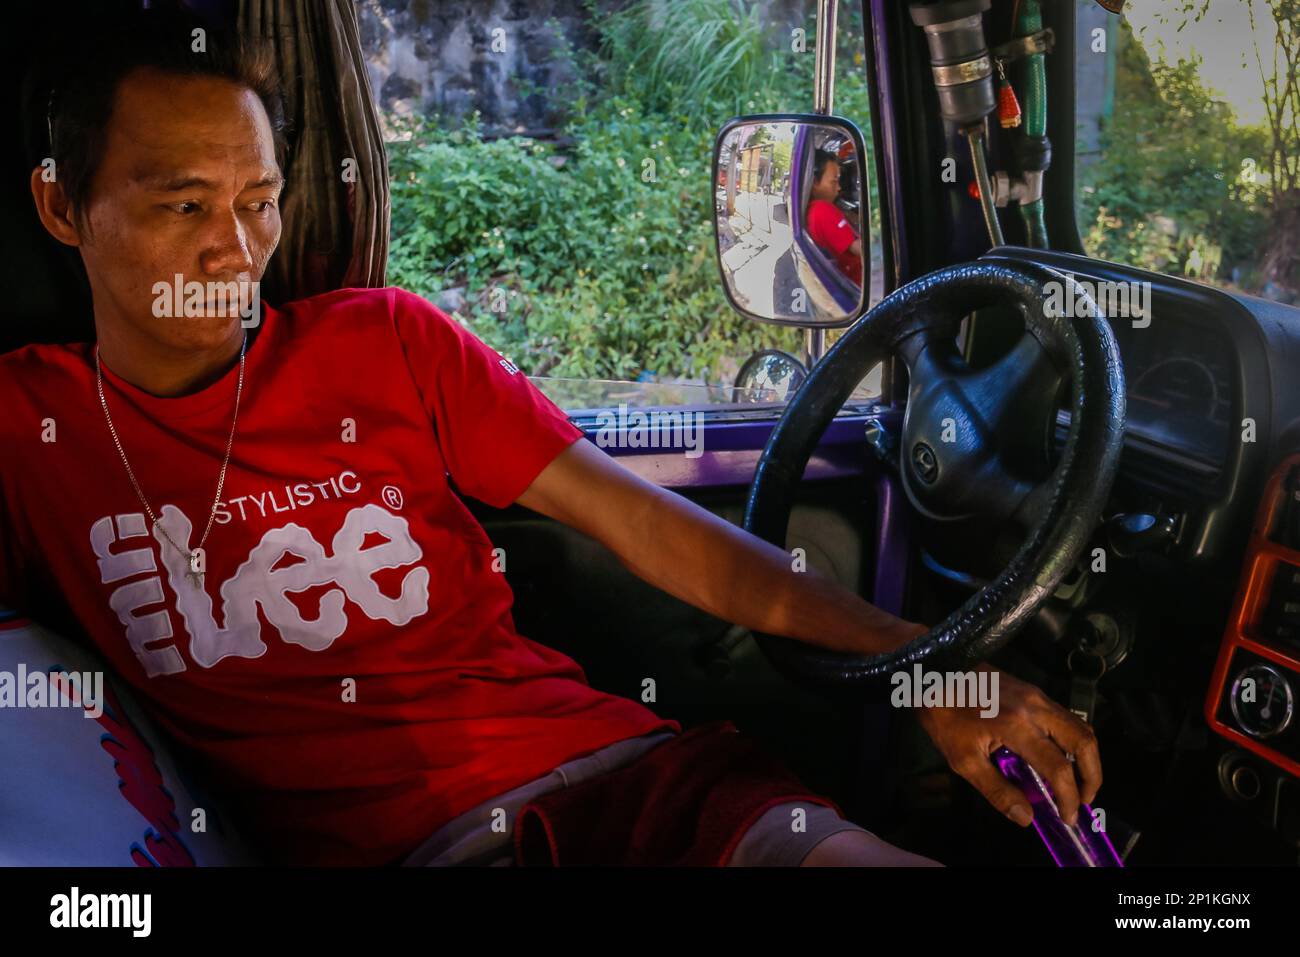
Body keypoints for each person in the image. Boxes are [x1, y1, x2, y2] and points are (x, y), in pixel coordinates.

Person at [0, 9, 1099, 866]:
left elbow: (652, 528)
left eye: (260, 199)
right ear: (61, 208)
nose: (236, 250)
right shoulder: (26, 425)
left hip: (631, 789)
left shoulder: (385, 342)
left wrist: (931, 674)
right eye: (181, 207)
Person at [806, 149, 864, 286]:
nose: (838, 188)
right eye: (834, 181)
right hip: (857, 285)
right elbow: (861, 250)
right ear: (814, 182)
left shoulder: (813, 209)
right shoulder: (823, 209)